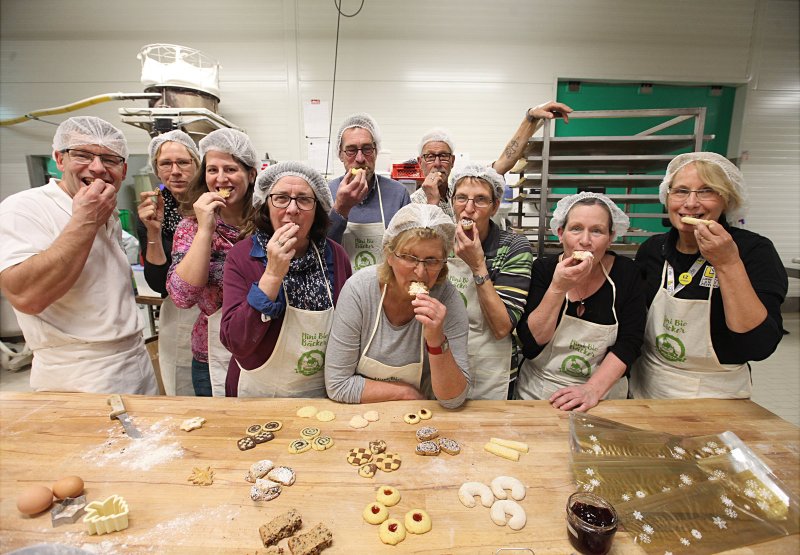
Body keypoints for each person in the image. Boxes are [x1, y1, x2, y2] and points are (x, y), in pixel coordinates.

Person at [0, 116, 157, 394]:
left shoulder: (107, 212)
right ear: (59, 159)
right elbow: (26, 295)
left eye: (109, 159)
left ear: (123, 169)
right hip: (78, 374)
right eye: (83, 155)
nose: (97, 168)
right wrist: (84, 220)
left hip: (134, 358)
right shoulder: (24, 208)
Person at [630, 152, 787, 399]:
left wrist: (727, 263)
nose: (691, 203)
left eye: (706, 191)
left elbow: (759, 345)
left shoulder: (753, 251)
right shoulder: (652, 250)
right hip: (649, 385)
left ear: (727, 199)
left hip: (717, 394)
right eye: (680, 191)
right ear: (667, 197)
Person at [220, 162, 352, 397]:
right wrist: (272, 274)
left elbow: (349, 331)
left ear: (317, 208)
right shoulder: (242, 256)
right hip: (259, 393)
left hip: (320, 392)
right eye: (281, 198)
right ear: (266, 206)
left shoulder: (335, 256)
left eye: (303, 199)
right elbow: (236, 342)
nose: (292, 209)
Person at [325, 204, 470, 407]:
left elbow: (454, 399)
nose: (420, 272)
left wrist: (437, 341)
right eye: (410, 258)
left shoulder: (448, 300)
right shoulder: (360, 291)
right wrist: (406, 393)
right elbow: (337, 384)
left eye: (432, 260)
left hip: (422, 415)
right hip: (362, 411)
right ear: (389, 255)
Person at [516, 192, 646, 411]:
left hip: (602, 396)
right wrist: (558, 288)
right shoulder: (544, 270)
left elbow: (630, 342)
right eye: (576, 228)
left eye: (597, 231)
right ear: (560, 233)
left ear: (611, 237)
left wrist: (592, 390)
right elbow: (531, 342)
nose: (585, 241)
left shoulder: (626, 273)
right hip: (540, 393)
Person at [166, 128, 259, 397]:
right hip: (212, 355)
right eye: (212, 170)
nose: (220, 179)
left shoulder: (268, 222)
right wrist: (205, 229)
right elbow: (183, 297)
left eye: (230, 169)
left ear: (251, 174)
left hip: (266, 347)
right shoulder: (190, 228)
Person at [447, 164, 533, 399]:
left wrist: (477, 265)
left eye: (481, 200)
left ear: (495, 206)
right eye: (461, 198)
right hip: (443, 358)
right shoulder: (439, 240)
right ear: (452, 202)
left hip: (491, 366)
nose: (469, 208)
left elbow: (502, 326)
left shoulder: (514, 247)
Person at [410, 101, 573, 219]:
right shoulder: (413, 202)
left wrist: (530, 118)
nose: (437, 164)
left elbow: (504, 162)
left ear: (452, 161)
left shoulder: (463, 187)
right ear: (420, 163)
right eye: (430, 157)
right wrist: (432, 199)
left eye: (443, 156)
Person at [136, 129, 201, 395]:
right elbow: (157, 282)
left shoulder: (217, 204)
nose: (175, 171)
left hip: (220, 309)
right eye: (166, 164)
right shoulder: (152, 212)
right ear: (157, 170)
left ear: (197, 165)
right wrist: (153, 230)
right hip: (179, 315)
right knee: (184, 389)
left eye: (183, 162)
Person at [327, 113, 411, 271]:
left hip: (387, 288)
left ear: (376, 151)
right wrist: (340, 208)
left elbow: (409, 250)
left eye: (367, 149)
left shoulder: (398, 194)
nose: (359, 158)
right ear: (340, 154)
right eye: (351, 150)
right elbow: (319, 250)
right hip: (342, 288)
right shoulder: (326, 193)